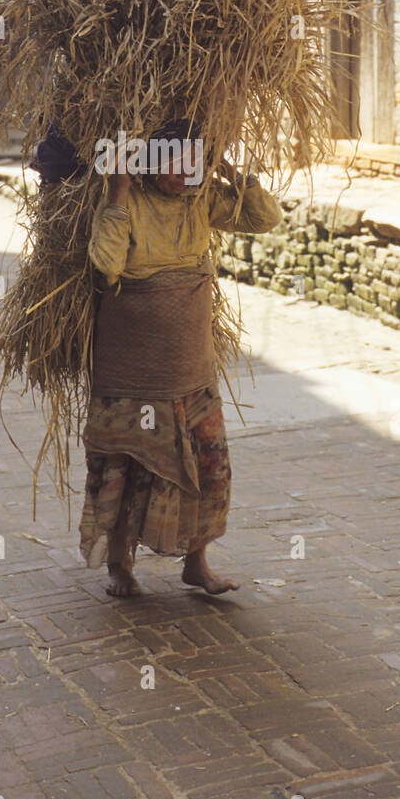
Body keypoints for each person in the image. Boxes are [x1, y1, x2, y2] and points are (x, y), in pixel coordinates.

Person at [78, 124, 283, 597]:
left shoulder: (201, 199)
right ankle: (118, 564)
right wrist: (119, 191)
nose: (186, 176)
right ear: (150, 161)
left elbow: (265, 218)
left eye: (195, 164)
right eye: (176, 164)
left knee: (205, 464)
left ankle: (197, 563)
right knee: (126, 465)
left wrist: (234, 174)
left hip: (190, 365)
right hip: (133, 369)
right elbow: (106, 265)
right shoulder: (127, 202)